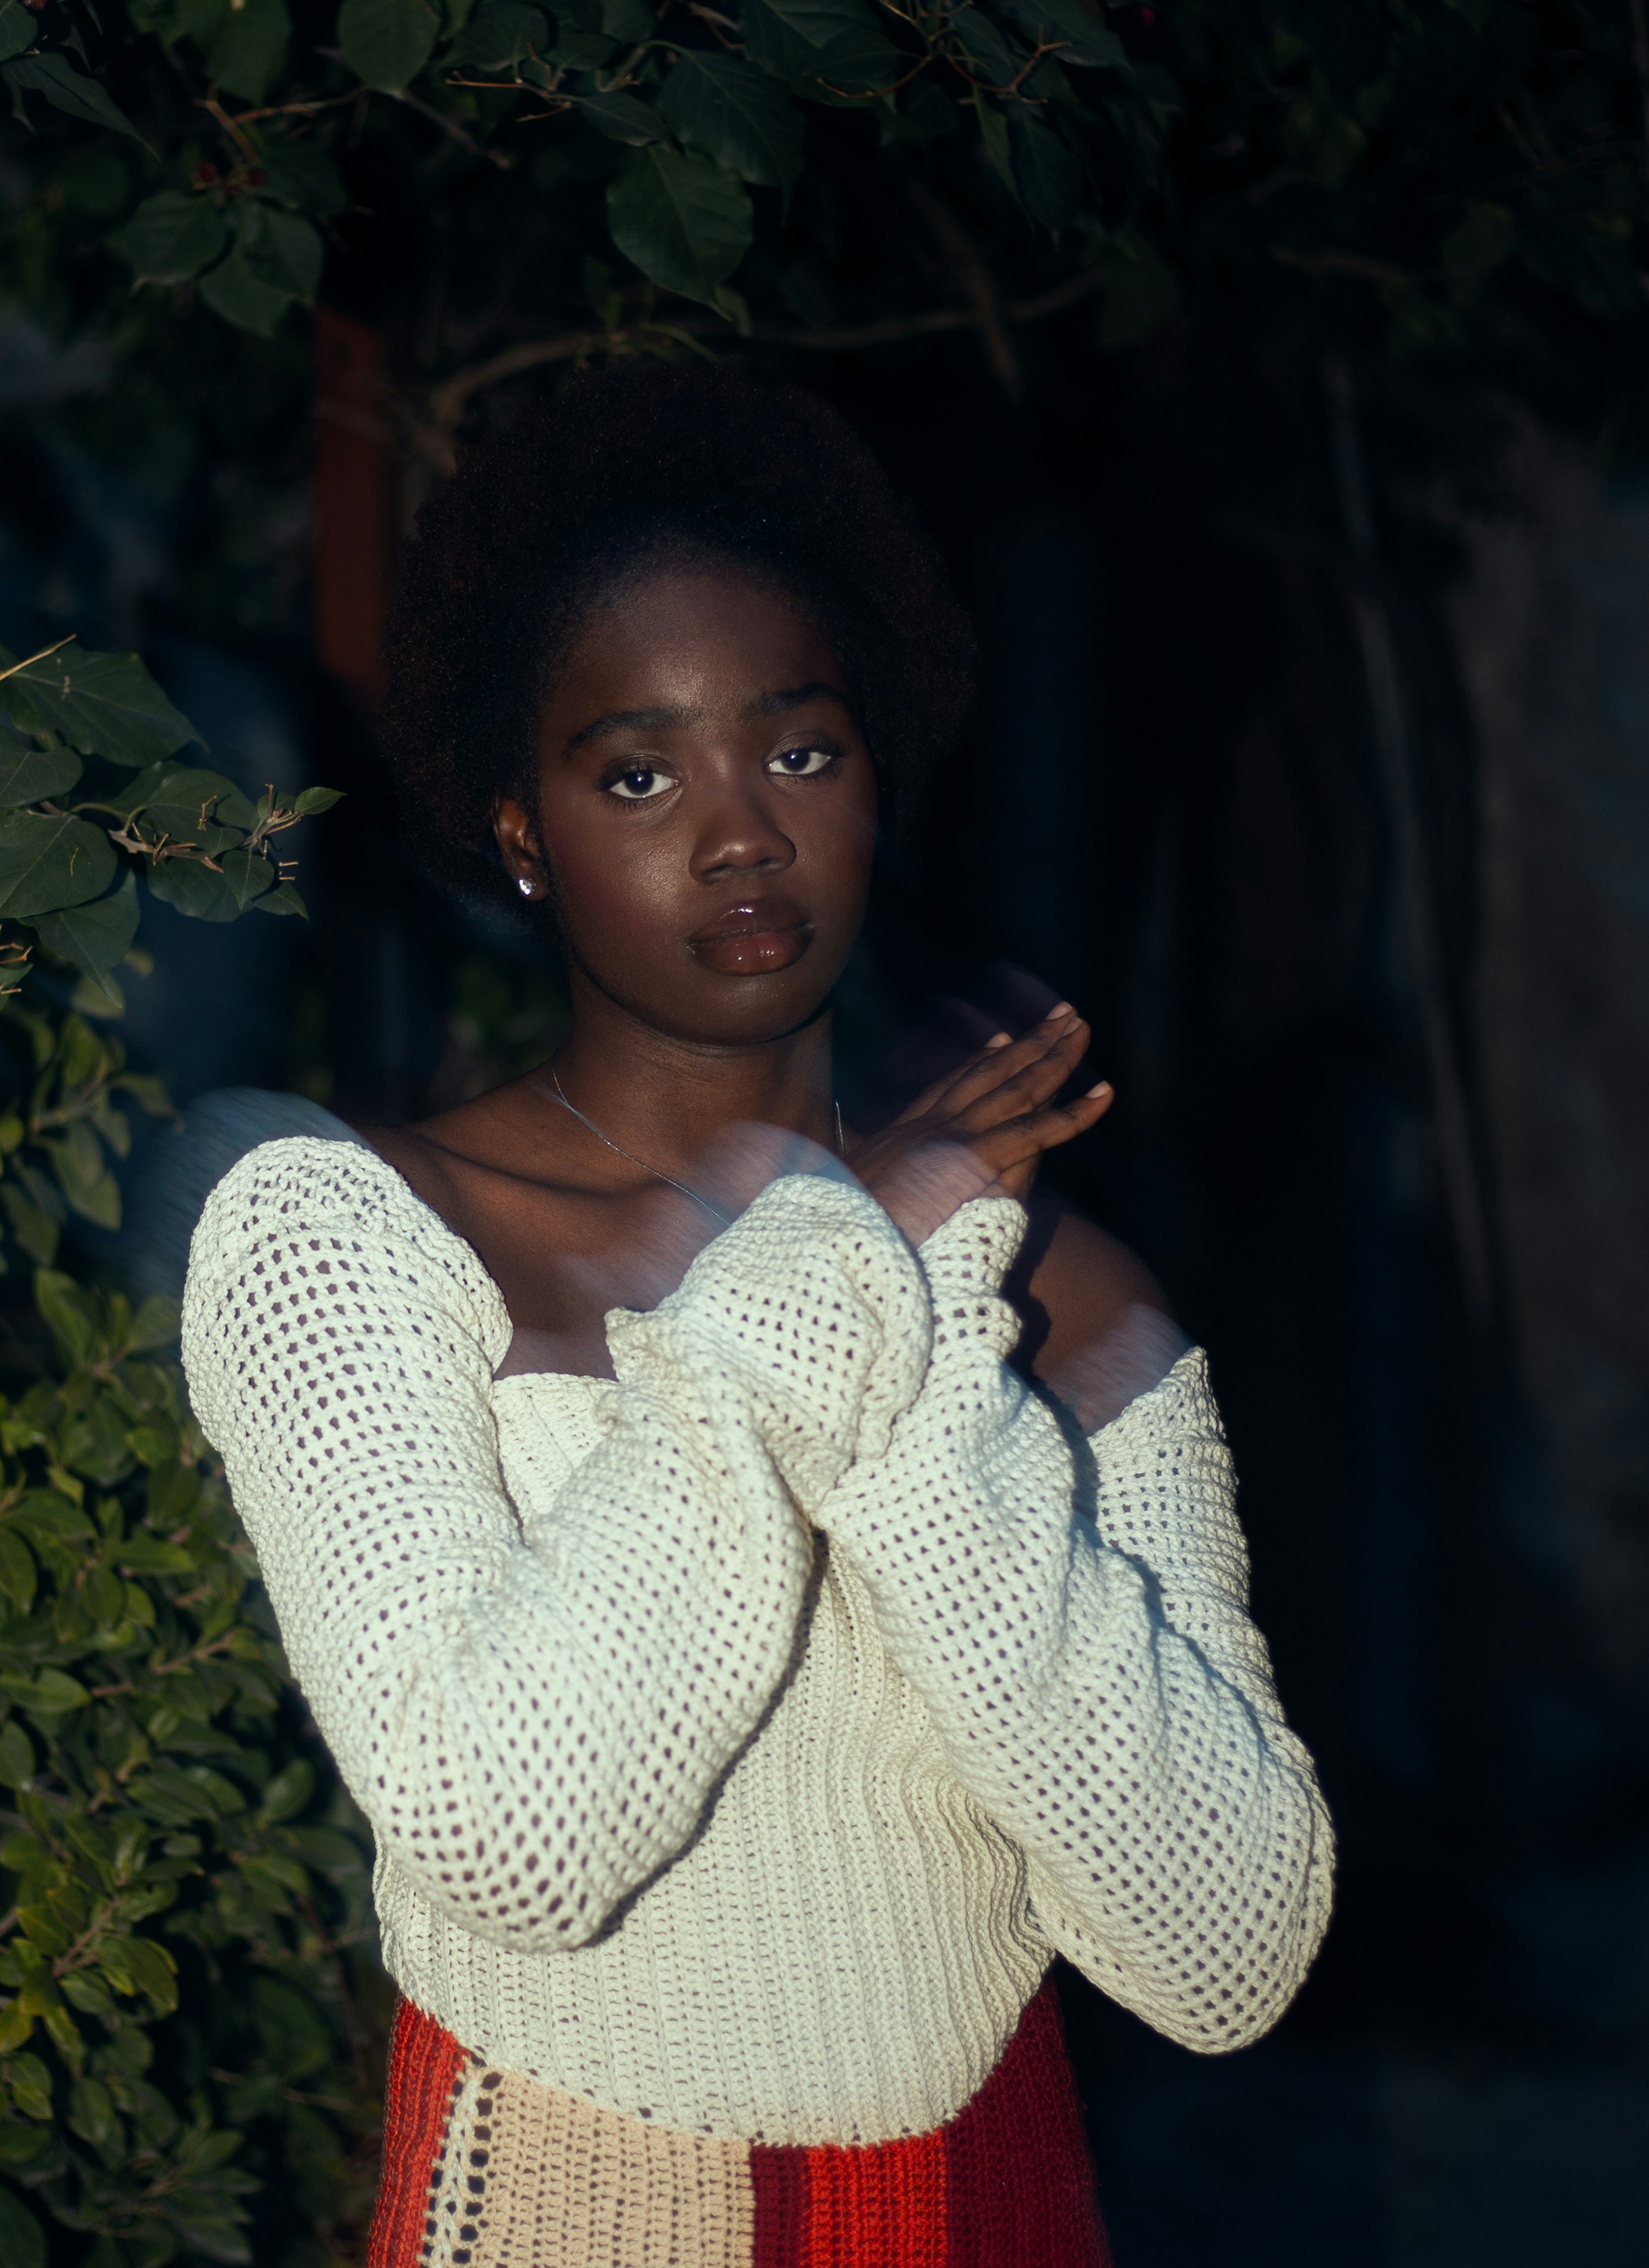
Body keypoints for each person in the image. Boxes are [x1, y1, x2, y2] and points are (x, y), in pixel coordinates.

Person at [180, 367, 1334, 2267]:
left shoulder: (1068, 1291)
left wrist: (930, 1357)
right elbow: (514, 1839)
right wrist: (829, 1263)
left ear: (877, 767)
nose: (737, 834)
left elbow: (1225, 1952)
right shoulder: (350, 1235)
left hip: (995, 2204)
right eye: (638, 774)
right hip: (577, 2201)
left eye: (797, 753)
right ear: (521, 826)